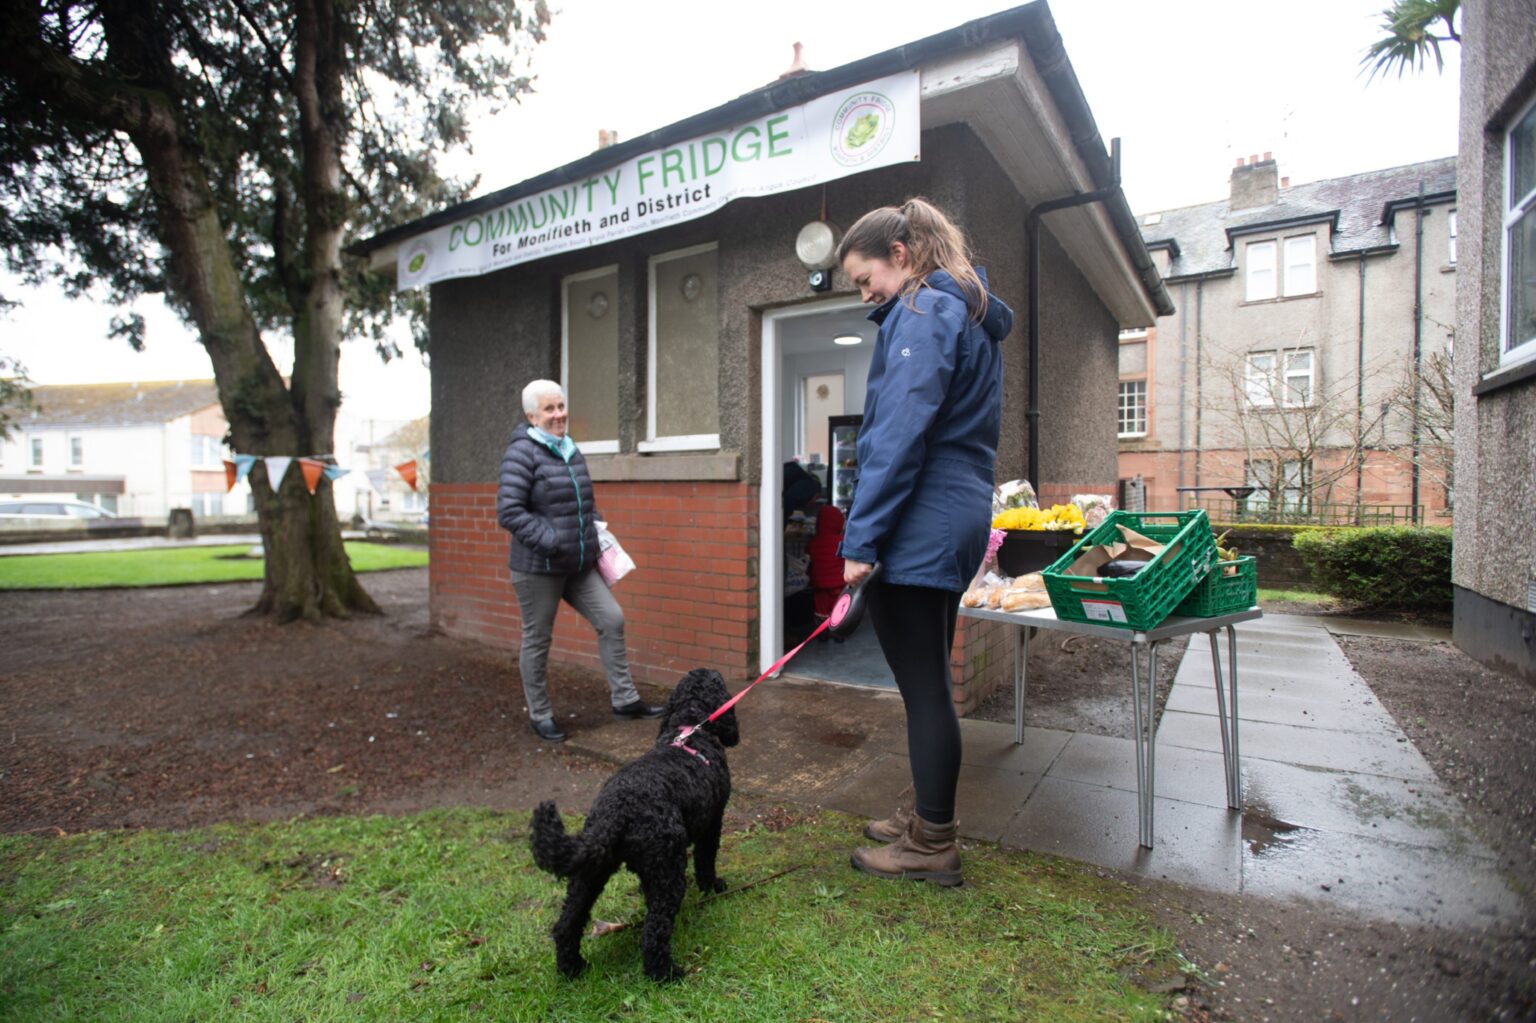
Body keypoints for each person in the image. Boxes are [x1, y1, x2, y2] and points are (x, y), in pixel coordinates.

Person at [835, 198, 1014, 886]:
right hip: (956, 510)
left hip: (922, 518)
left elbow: (895, 436)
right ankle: (924, 810)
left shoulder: (921, 312)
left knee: (926, 688)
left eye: (864, 277)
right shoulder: (962, 310)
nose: (865, 293)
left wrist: (862, 538)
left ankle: (932, 841)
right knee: (929, 682)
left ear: (902, 254)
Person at [497, 380, 663, 742]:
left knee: (611, 619)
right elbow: (509, 511)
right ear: (532, 416)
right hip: (538, 567)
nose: (559, 415)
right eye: (549, 409)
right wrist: (552, 540)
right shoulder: (522, 452)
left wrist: (592, 530)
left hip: (577, 563)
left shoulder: (570, 449)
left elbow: (580, 501)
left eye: (561, 406)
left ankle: (625, 700)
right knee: (538, 639)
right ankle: (540, 715)